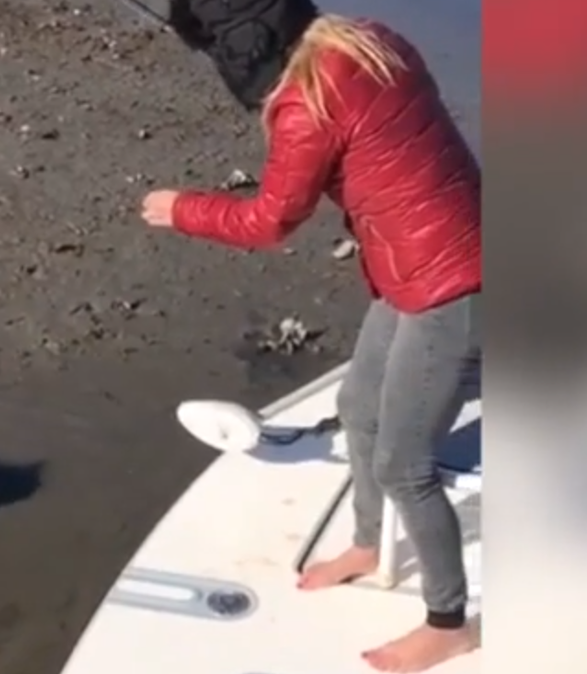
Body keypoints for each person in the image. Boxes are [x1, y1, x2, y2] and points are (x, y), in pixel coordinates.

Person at [139, 1, 481, 672]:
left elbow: (269, 222)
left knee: (404, 464)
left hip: (454, 286)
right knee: (358, 409)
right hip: (421, 264)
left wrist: (181, 209)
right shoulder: (369, 41)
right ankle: (364, 540)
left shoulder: (304, 107)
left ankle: (449, 622)